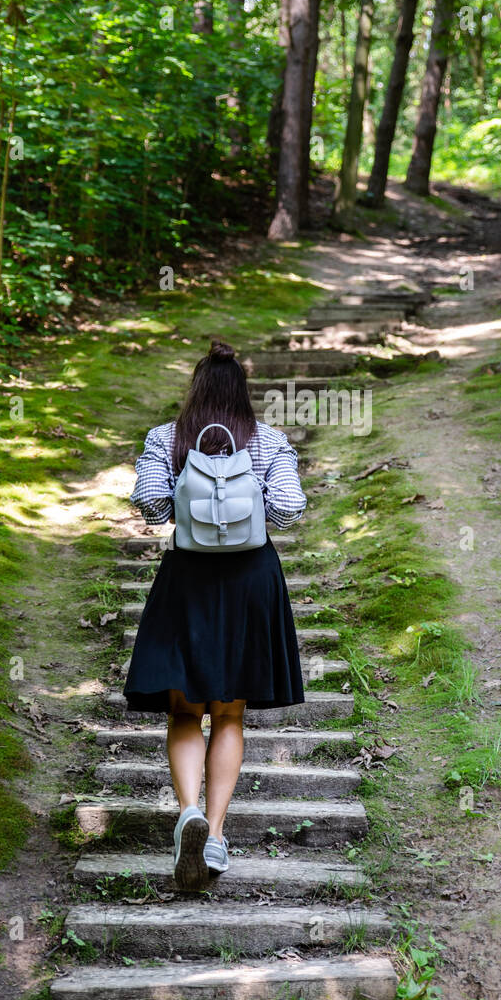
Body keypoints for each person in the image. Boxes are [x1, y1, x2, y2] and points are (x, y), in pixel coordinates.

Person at [123, 338, 307, 889]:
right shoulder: (268, 441)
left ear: (195, 391)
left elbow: (152, 506)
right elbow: (290, 510)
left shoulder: (167, 438)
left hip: (189, 581)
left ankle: (188, 814)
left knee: (184, 713)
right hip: (251, 581)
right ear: (243, 394)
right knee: (228, 715)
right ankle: (219, 835)